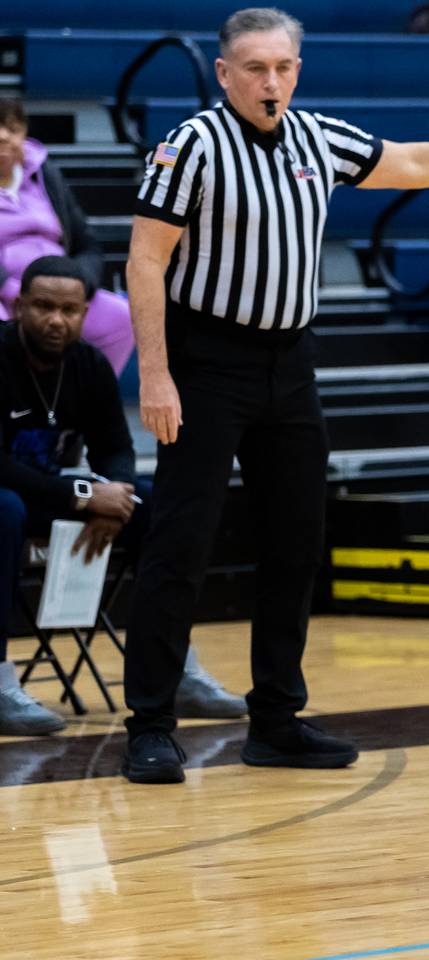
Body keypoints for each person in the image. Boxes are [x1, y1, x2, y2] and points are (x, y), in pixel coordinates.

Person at [120, 7, 429, 784]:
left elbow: (412, 161)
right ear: (224, 73)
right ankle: (149, 725)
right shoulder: (192, 146)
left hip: (290, 362)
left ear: (297, 71)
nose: (270, 81)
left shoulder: (317, 137)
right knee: (182, 541)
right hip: (207, 360)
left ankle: (276, 721)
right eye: (255, 68)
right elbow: (145, 260)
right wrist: (155, 373)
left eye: (282, 67)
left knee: (296, 541)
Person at [0, 257, 242, 735]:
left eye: (69, 310)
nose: (56, 320)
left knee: (158, 507)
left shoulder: (89, 365)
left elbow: (115, 447)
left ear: (85, 313)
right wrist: (84, 499)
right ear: (19, 305)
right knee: (4, 509)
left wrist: (116, 497)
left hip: (50, 494)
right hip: (11, 497)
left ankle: (173, 670)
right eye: (44, 306)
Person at [0, 99, 134, 375]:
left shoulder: (44, 173)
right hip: (5, 294)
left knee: (120, 319)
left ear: (24, 134)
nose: (3, 136)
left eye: (12, 128)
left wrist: (80, 285)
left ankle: (87, 395)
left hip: (59, 288)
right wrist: (13, 292)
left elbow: (87, 244)